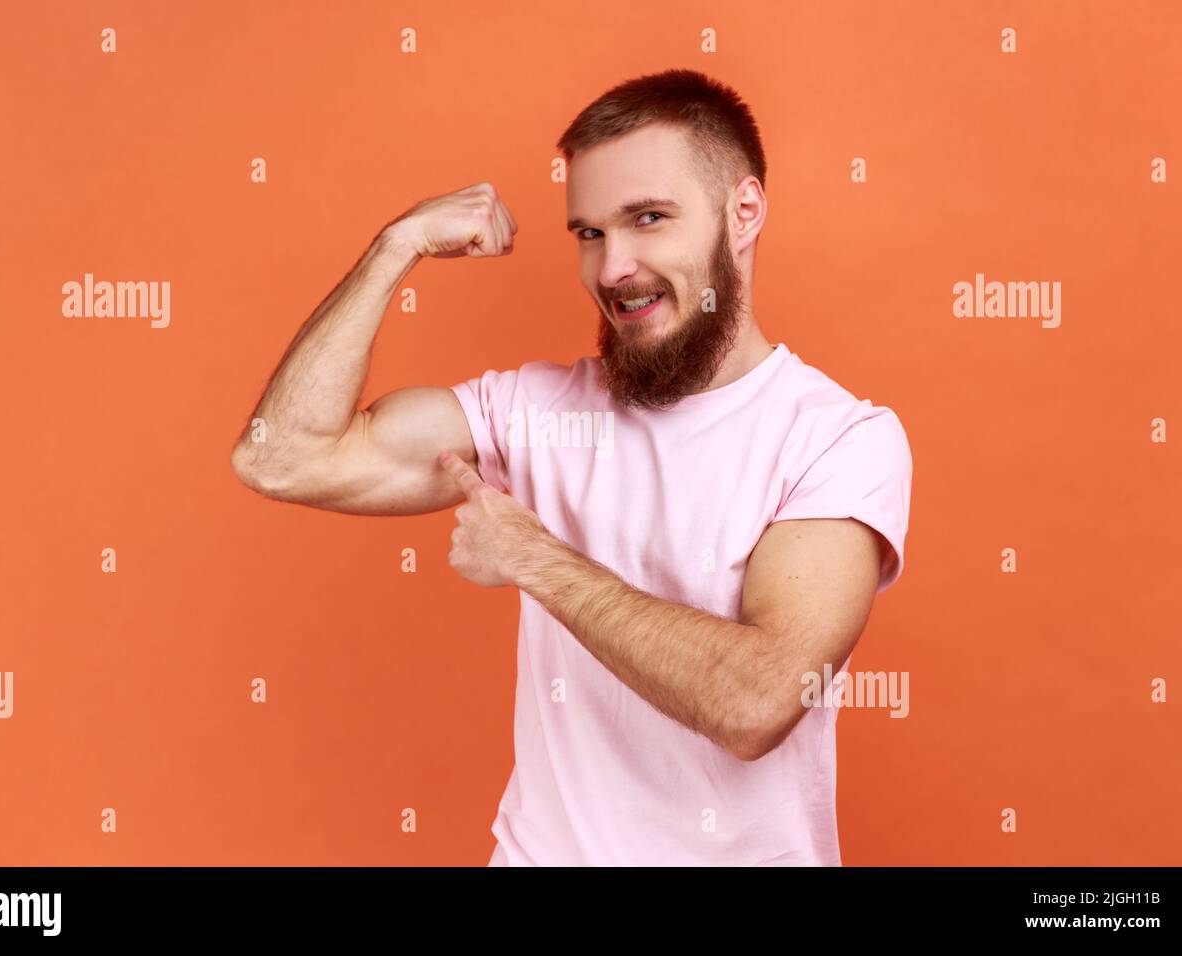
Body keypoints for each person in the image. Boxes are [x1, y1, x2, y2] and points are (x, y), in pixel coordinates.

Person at [231, 68, 913, 866]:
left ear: (744, 214)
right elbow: (279, 457)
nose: (613, 267)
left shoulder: (839, 439)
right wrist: (397, 247)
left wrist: (534, 558)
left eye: (648, 218)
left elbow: (757, 701)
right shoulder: (535, 412)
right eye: (588, 232)